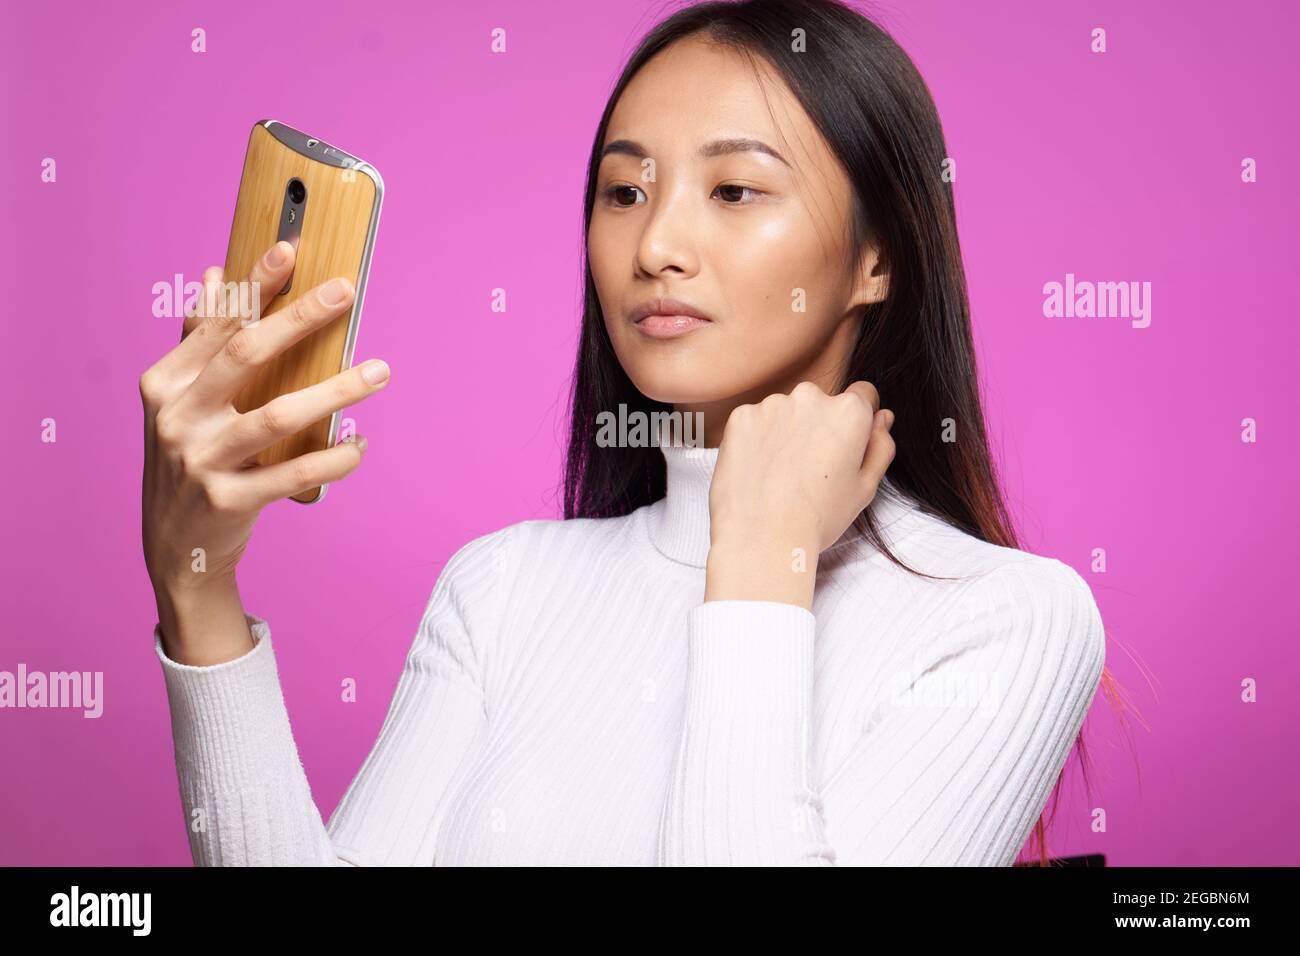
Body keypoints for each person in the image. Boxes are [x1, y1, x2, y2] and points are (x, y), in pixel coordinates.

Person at [140, 0, 1109, 866]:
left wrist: (762, 559)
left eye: (733, 191)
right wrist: (196, 585)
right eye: (623, 192)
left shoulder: (1003, 618)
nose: (654, 248)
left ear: (876, 259)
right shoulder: (504, 588)